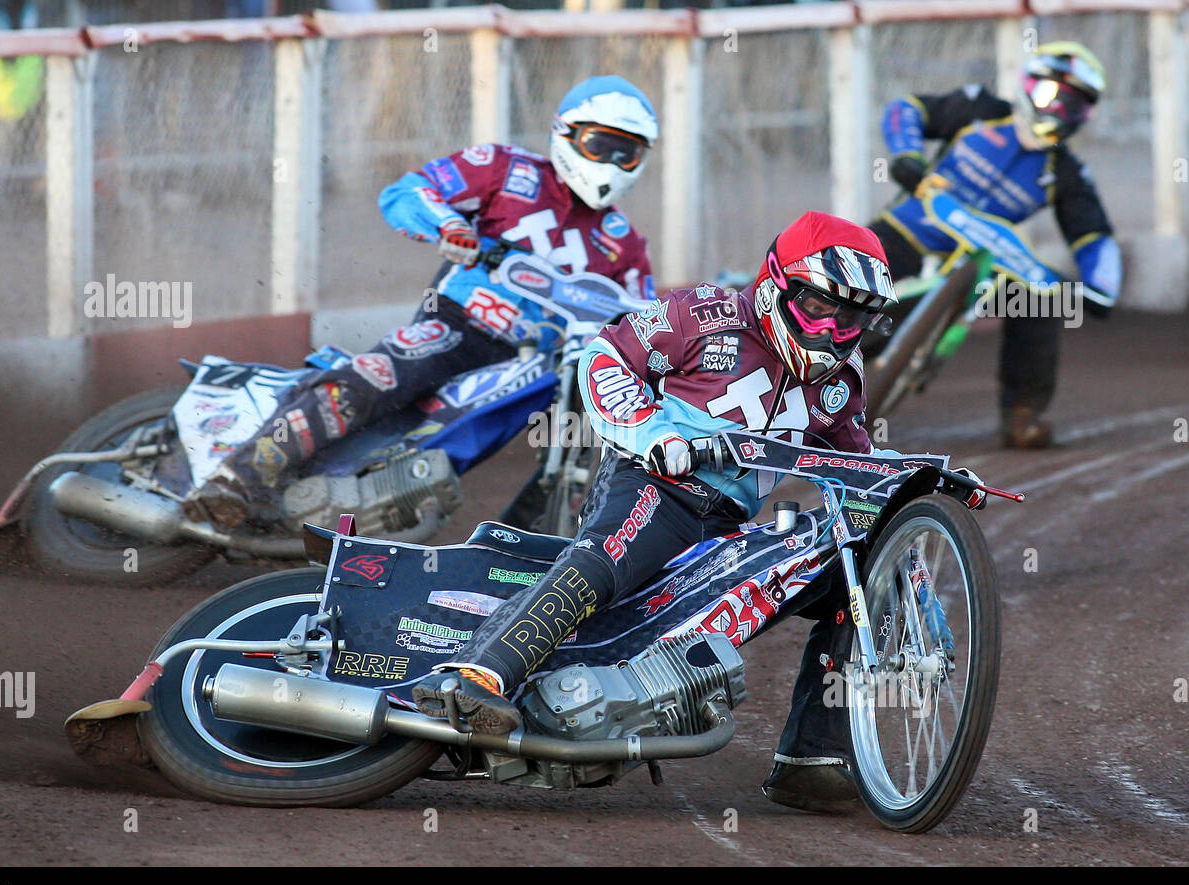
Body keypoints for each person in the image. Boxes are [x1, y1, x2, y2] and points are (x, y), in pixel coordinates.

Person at [412, 211, 975, 813]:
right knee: (606, 559)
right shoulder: (703, 313)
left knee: (851, 569)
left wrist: (911, 486)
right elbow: (606, 359)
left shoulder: (845, 373)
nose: (837, 329)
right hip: (654, 483)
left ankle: (813, 757)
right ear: (777, 284)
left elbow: (852, 461)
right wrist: (651, 431)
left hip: (727, 524)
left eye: (857, 316)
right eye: (822, 305)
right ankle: (476, 677)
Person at [184, 75, 658, 528]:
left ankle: (524, 547)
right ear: (566, 133)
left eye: (628, 153)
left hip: (538, 368)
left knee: (522, 442)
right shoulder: (505, 168)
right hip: (458, 326)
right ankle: (239, 477)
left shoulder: (625, 243)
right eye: (601, 145)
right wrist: (450, 226)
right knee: (377, 375)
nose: (612, 163)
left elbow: (642, 324)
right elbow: (408, 191)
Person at [873, 41, 1121, 449]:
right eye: (1050, 94)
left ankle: (1023, 414)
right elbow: (908, 108)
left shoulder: (1067, 170)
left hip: (984, 265)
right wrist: (905, 156)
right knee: (843, 269)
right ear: (1027, 85)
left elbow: (1094, 236)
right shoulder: (979, 109)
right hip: (907, 231)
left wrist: (1100, 288)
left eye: (1072, 106)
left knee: (1040, 298)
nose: (1057, 110)